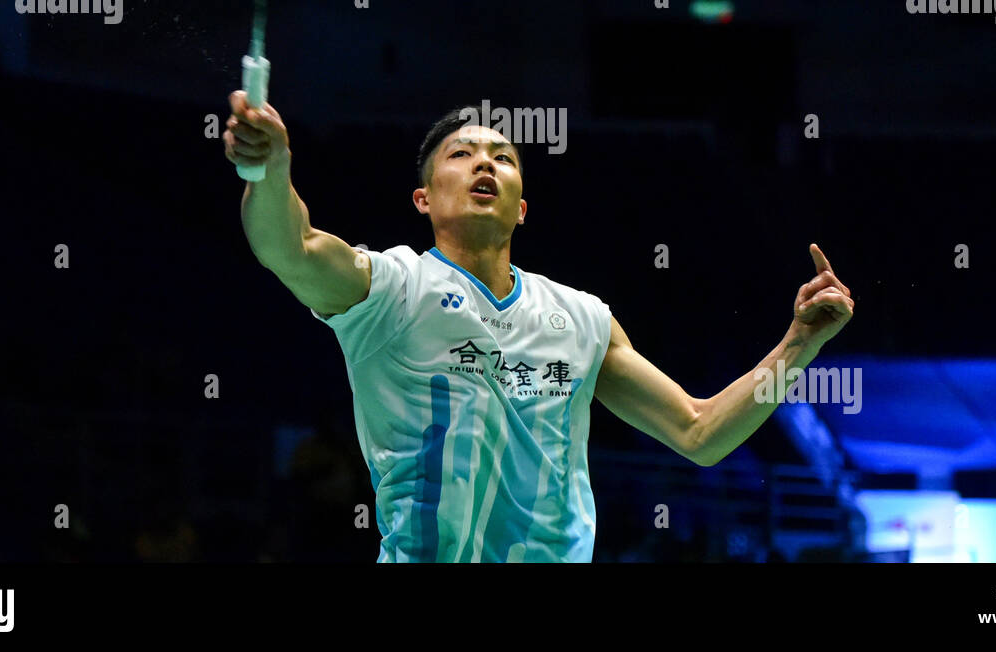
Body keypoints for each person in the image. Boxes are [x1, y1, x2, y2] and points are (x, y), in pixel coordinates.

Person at [225, 93, 854, 562]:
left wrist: (801, 342)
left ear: (520, 208)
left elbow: (699, 432)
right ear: (424, 198)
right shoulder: (392, 289)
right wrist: (268, 170)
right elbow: (291, 247)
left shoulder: (582, 320)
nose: (485, 164)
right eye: (461, 153)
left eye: (503, 157)